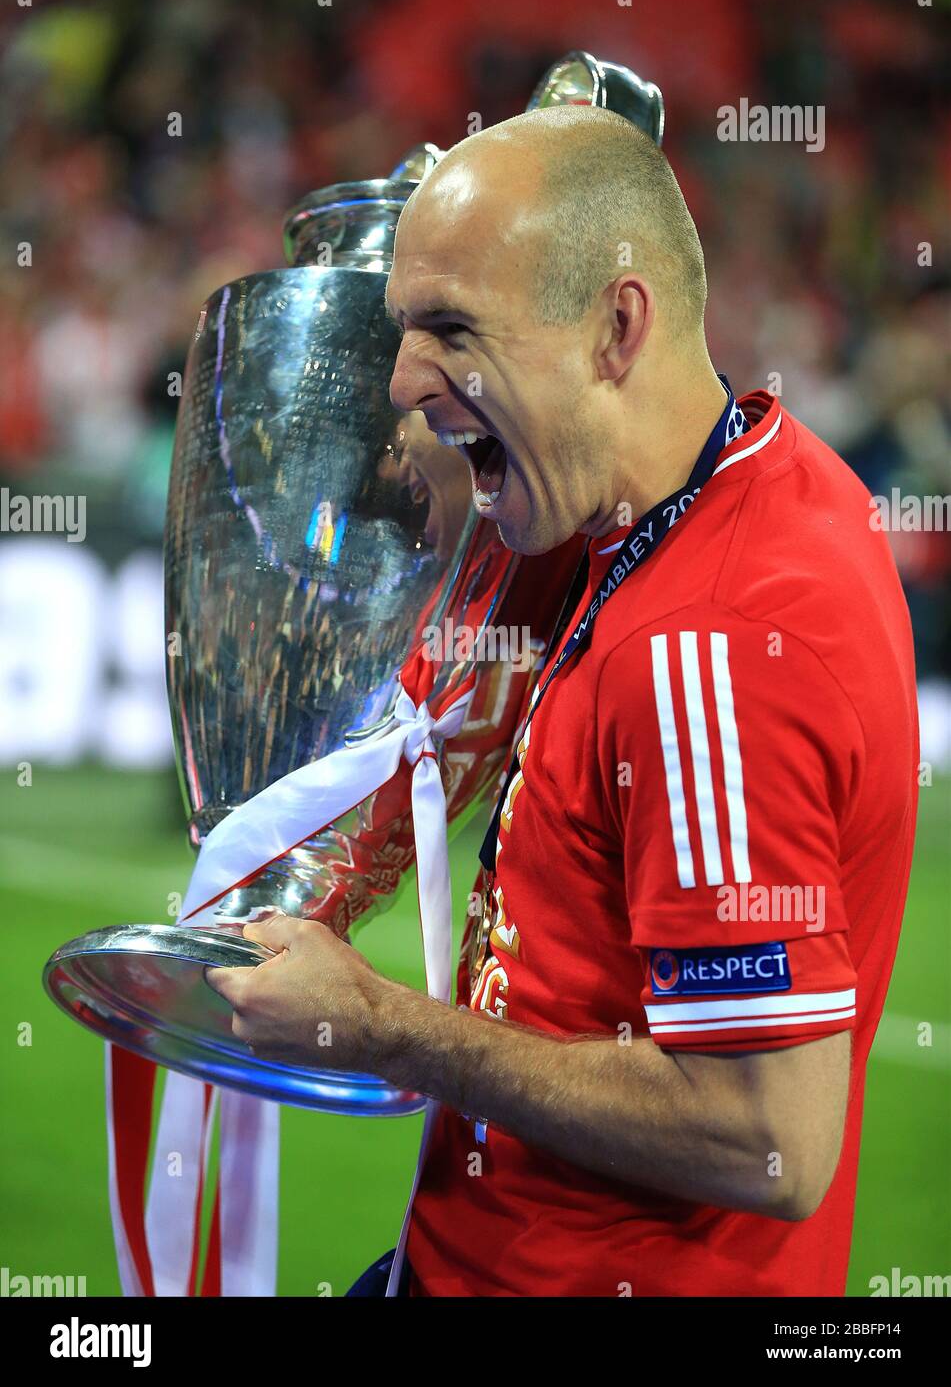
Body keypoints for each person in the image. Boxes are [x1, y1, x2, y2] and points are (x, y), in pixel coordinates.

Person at [207, 106, 919, 1296]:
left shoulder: (717, 640)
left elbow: (768, 1132)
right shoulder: (701, 495)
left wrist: (382, 1025)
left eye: (449, 329)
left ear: (616, 327)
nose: (400, 382)